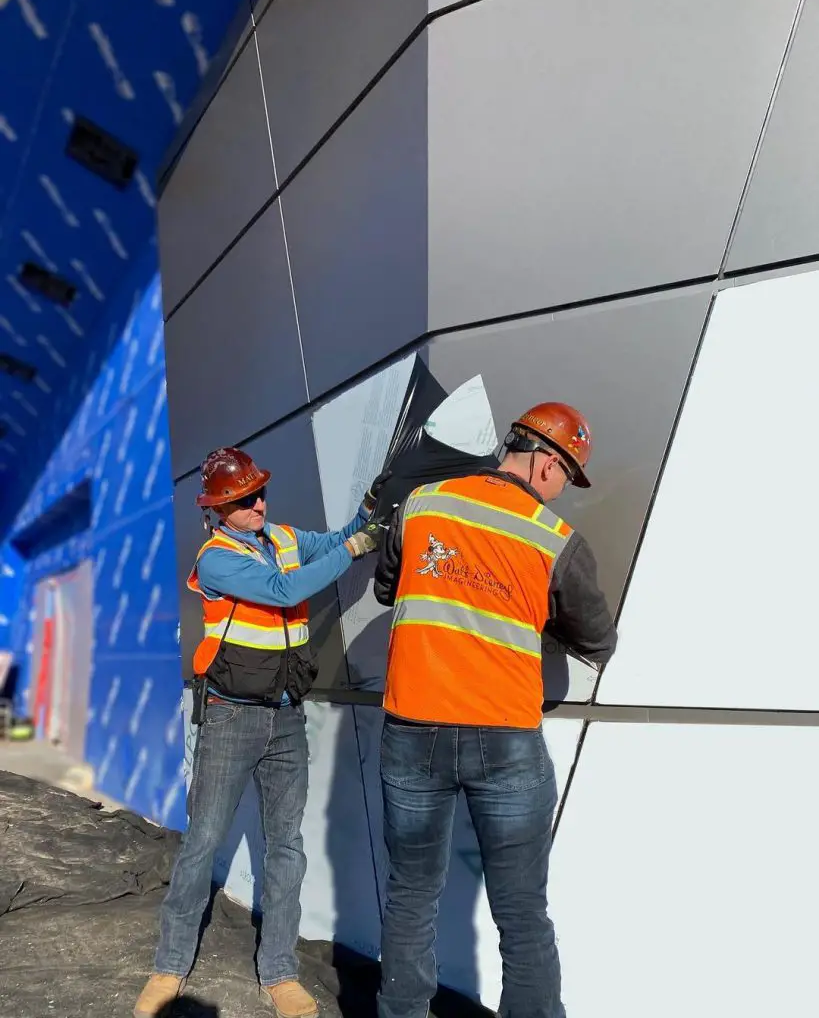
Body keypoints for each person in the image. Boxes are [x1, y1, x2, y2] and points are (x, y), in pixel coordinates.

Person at [372, 402, 618, 1018]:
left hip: (413, 728)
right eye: (566, 476)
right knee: (522, 911)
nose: (561, 491)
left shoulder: (423, 505)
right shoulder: (554, 540)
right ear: (543, 462)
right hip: (504, 738)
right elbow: (598, 640)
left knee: (411, 899)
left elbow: (387, 586)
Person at [135, 447, 388, 1018]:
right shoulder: (218, 558)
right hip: (230, 717)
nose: (259, 504)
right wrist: (354, 547)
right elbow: (285, 591)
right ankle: (169, 966)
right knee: (201, 844)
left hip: (285, 717)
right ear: (220, 508)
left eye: (259, 494)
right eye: (245, 499)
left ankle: (279, 971)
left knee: (287, 849)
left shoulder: (282, 537)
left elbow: (336, 540)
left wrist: (368, 513)